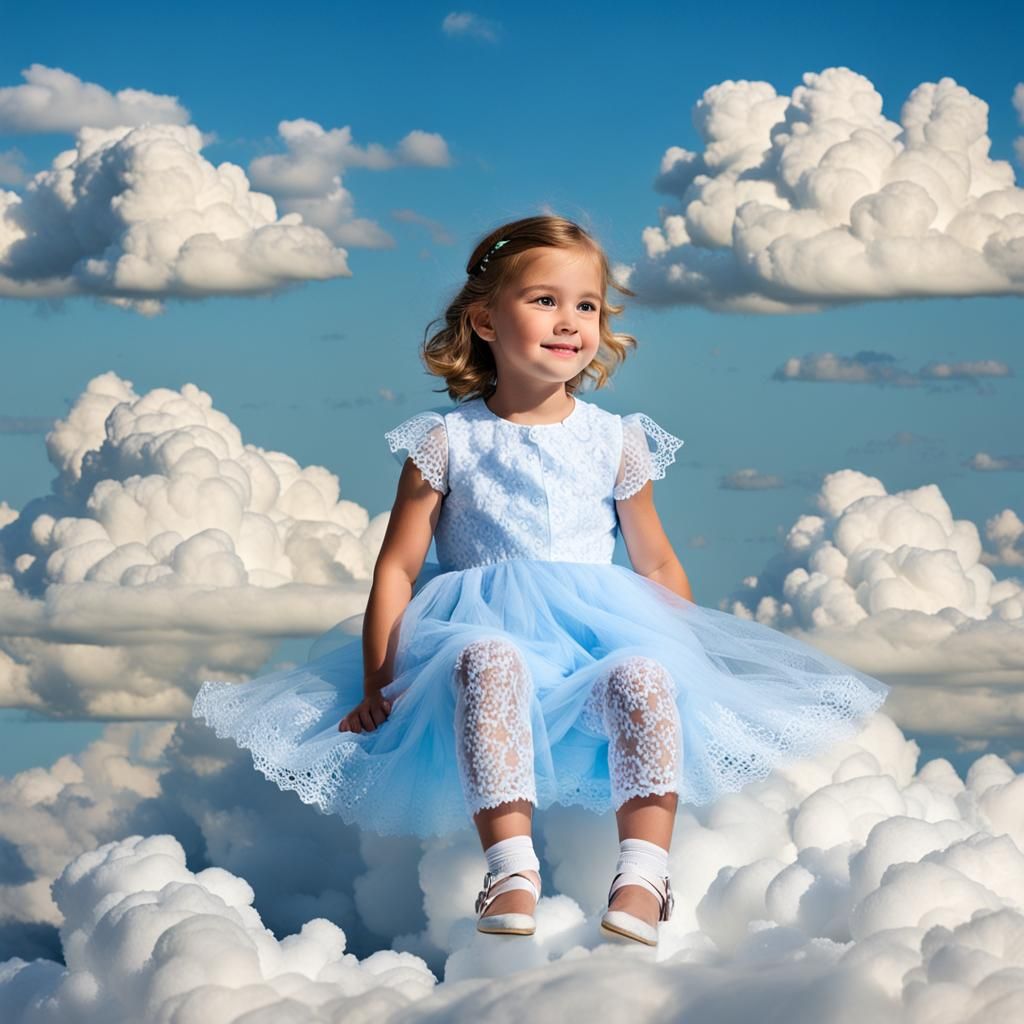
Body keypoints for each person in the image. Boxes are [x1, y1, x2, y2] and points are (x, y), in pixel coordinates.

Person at [193, 214, 891, 948]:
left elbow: (655, 561)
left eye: (586, 305)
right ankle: (510, 868)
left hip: (595, 638)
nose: (569, 321)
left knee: (645, 677)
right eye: (544, 300)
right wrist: (378, 680)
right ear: (485, 321)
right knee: (488, 661)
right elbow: (397, 566)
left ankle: (645, 874)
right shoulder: (448, 440)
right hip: (476, 629)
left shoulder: (616, 440)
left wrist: (691, 652)